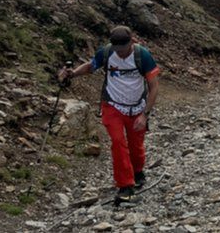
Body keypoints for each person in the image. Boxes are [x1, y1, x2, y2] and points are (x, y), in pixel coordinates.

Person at [59, 25, 160, 204]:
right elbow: (91, 67)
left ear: (132, 42)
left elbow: (153, 87)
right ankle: (125, 187)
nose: (120, 53)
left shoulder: (142, 55)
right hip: (112, 105)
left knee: (136, 146)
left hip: (137, 107)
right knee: (118, 142)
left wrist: (145, 115)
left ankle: (137, 173)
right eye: (117, 50)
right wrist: (72, 74)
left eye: (124, 49)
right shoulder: (106, 53)